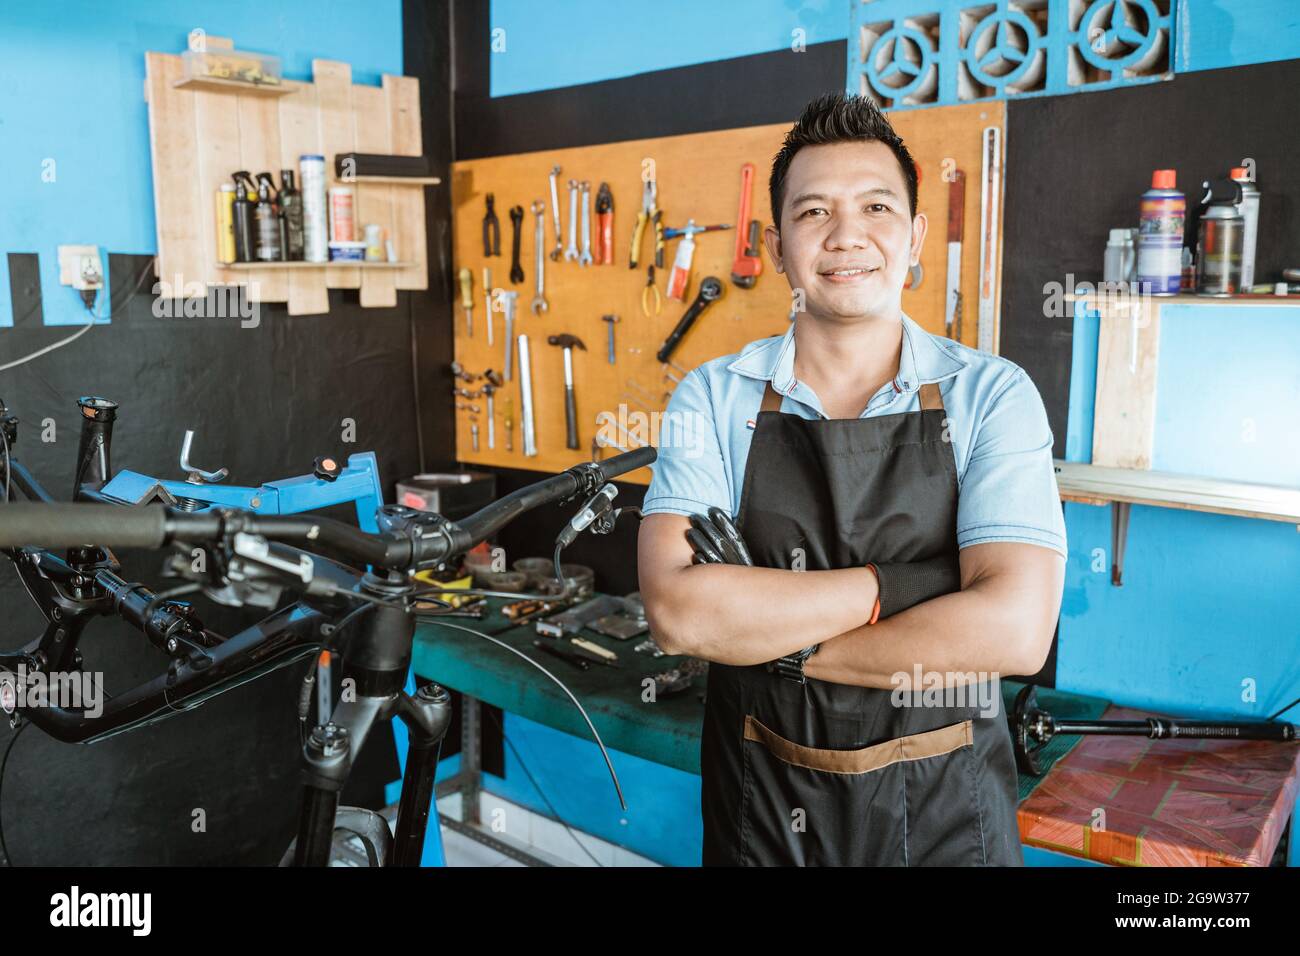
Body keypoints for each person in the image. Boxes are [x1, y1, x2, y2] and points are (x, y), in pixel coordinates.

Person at [636, 92, 1066, 866]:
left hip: (946, 817)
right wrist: (906, 587)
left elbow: (1014, 630)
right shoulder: (711, 395)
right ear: (775, 244)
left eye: (875, 206)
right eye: (812, 213)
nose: (847, 237)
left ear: (916, 235)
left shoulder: (991, 395)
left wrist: (779, 644)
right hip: (760, 808)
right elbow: (679, 614)